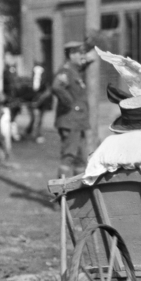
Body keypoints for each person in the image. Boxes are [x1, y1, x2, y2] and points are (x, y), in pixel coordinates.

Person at [52, 41, 90, 178]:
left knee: (81, 159)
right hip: (70, 121)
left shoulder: (75, 71)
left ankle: (78, 195)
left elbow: (88, 61)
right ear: (72, 54)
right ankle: (61, 195)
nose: (83, 56)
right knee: (68, 156)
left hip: (77, 122)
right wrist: (69, 103)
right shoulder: (66, 71)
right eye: (80, 53)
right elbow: (57, 87)